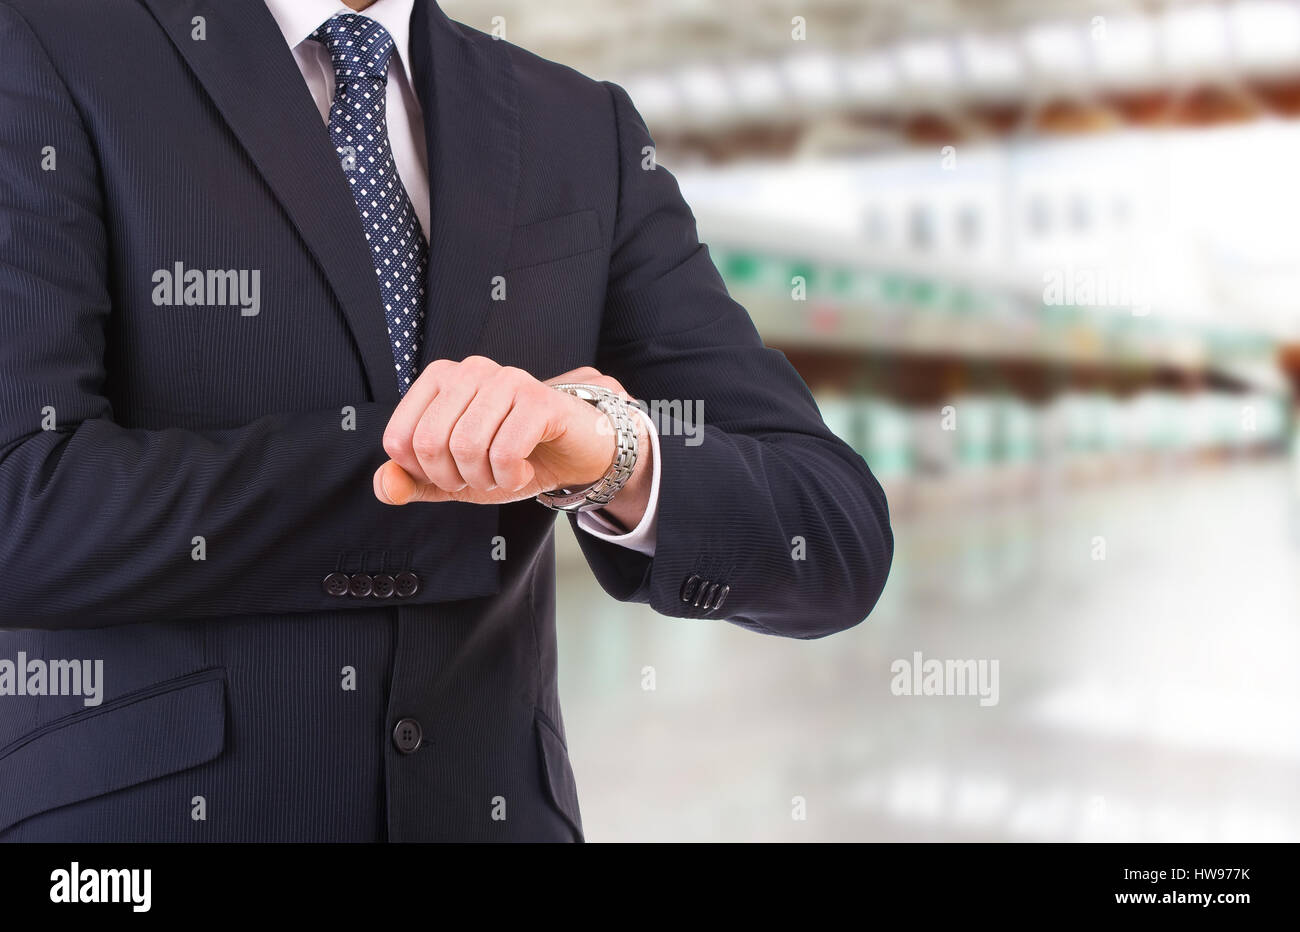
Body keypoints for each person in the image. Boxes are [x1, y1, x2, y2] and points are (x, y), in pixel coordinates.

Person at [0, 0, 893, 841]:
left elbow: (833, 536)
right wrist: (449, 462)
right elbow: (18, 501)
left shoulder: (580, 127)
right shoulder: (48, 43)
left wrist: (608, 455)